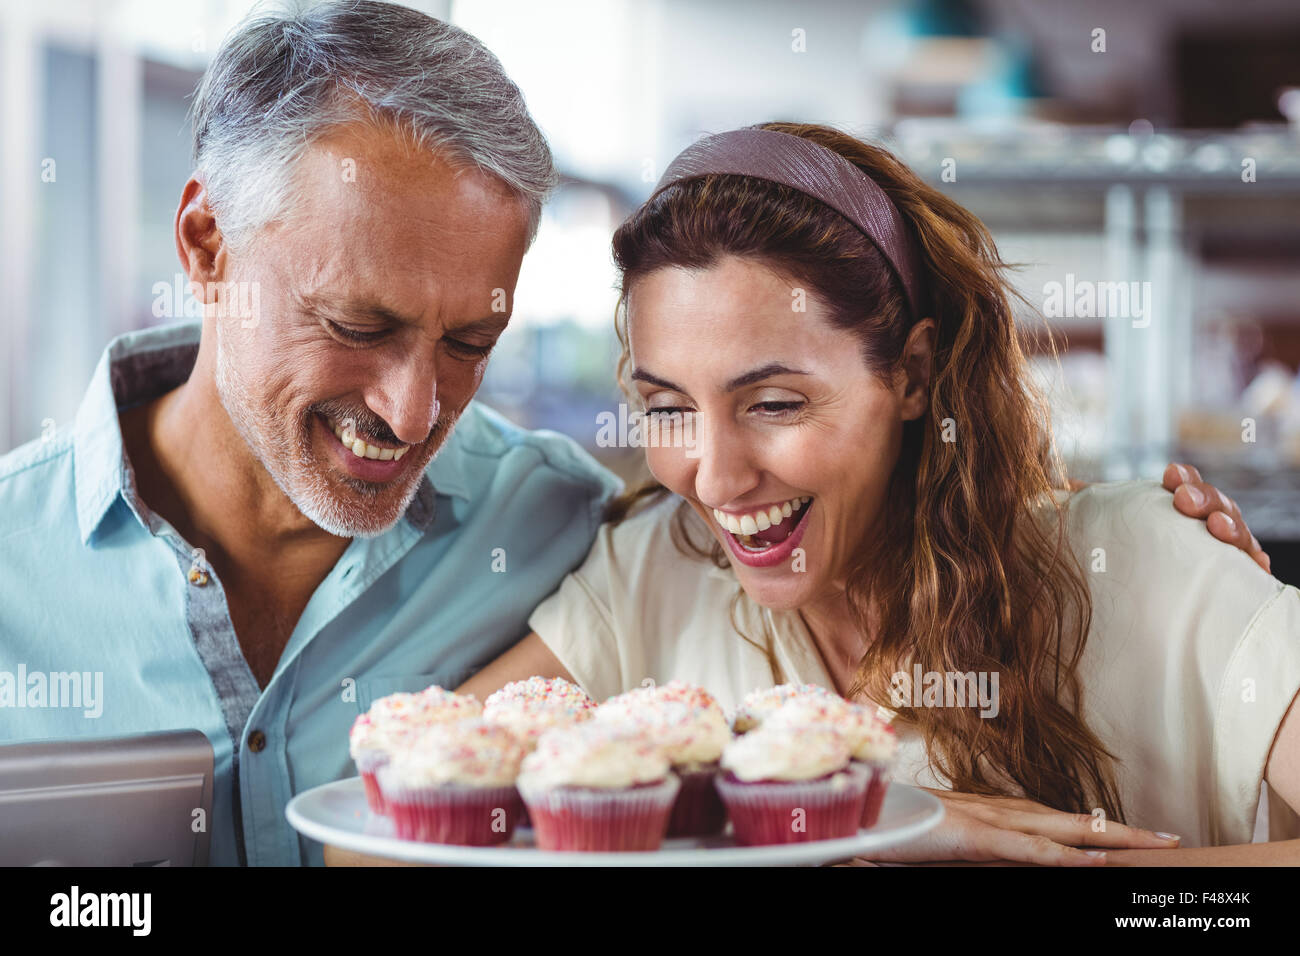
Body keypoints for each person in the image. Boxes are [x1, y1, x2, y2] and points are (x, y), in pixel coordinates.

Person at [0, 3, 1260, 869]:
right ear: (206, 250)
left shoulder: (551, 517)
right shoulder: (642, 563)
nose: (413, 413)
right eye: (356, 322)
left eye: (468, 344)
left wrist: (1145, 547)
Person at [461, 123, 1300, 865]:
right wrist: (818, 824)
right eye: (670, 407)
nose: (714, 479)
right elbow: (377, 842)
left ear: (913, 373)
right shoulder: (652, 577)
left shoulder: (1147, 561)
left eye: (776, 404)